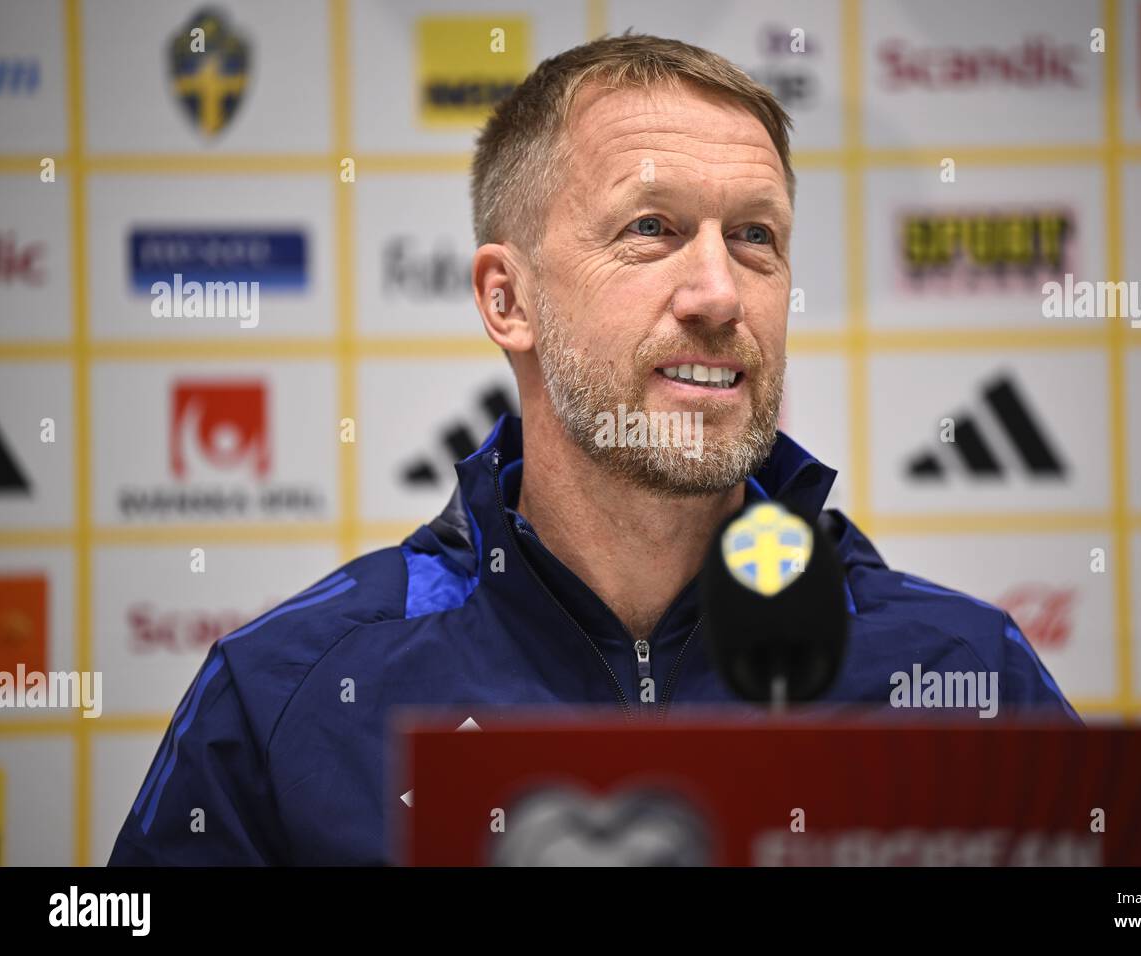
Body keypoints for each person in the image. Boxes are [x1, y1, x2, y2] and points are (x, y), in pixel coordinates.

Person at [109, 32, 1078, 866]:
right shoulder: (289, 692)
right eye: (651, 229)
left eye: (754, 237)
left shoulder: (967, 678)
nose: (718, 293)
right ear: (507, 299)